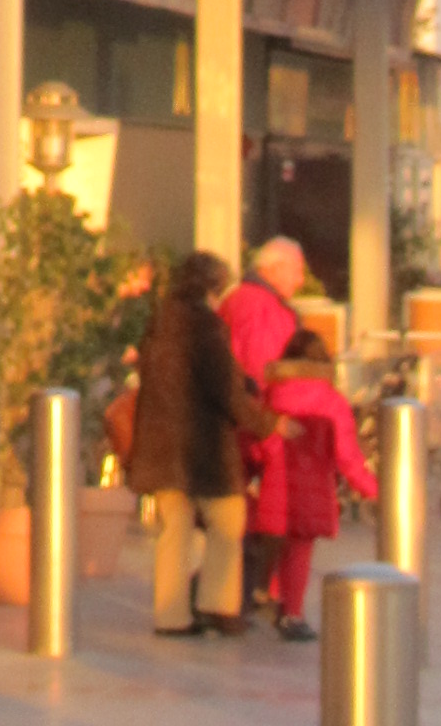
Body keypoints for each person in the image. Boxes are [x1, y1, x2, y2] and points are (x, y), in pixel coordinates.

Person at [126, 252, 276, 636]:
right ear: (211, 286)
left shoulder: (159, 321)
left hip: (159, 443)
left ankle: (170, 616)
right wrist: (264, 423)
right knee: (228, 519)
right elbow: (224, 387)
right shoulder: (205, 326)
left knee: (173, 528)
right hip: (202, 446)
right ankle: (219, 606)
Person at [251, 329, 375, 641]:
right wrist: (374, 490)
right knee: (300, 550)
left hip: (274, 485)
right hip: (312, 487)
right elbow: (347, 457)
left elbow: (257, 446)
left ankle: (270, 595)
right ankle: (292, 613)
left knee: (274, 544)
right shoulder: (332, 401)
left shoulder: (271, 394)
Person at [223, 239, 307, 604]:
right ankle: (258, 589)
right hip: (258, 423)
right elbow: (264, 368)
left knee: (243, 510)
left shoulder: (237, 300)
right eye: (297, 270)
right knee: (270, 511)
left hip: (236, 420)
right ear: (273, 269)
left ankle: (240, 588)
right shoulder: (263, 308)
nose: (301, 281)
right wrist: (272, 422)